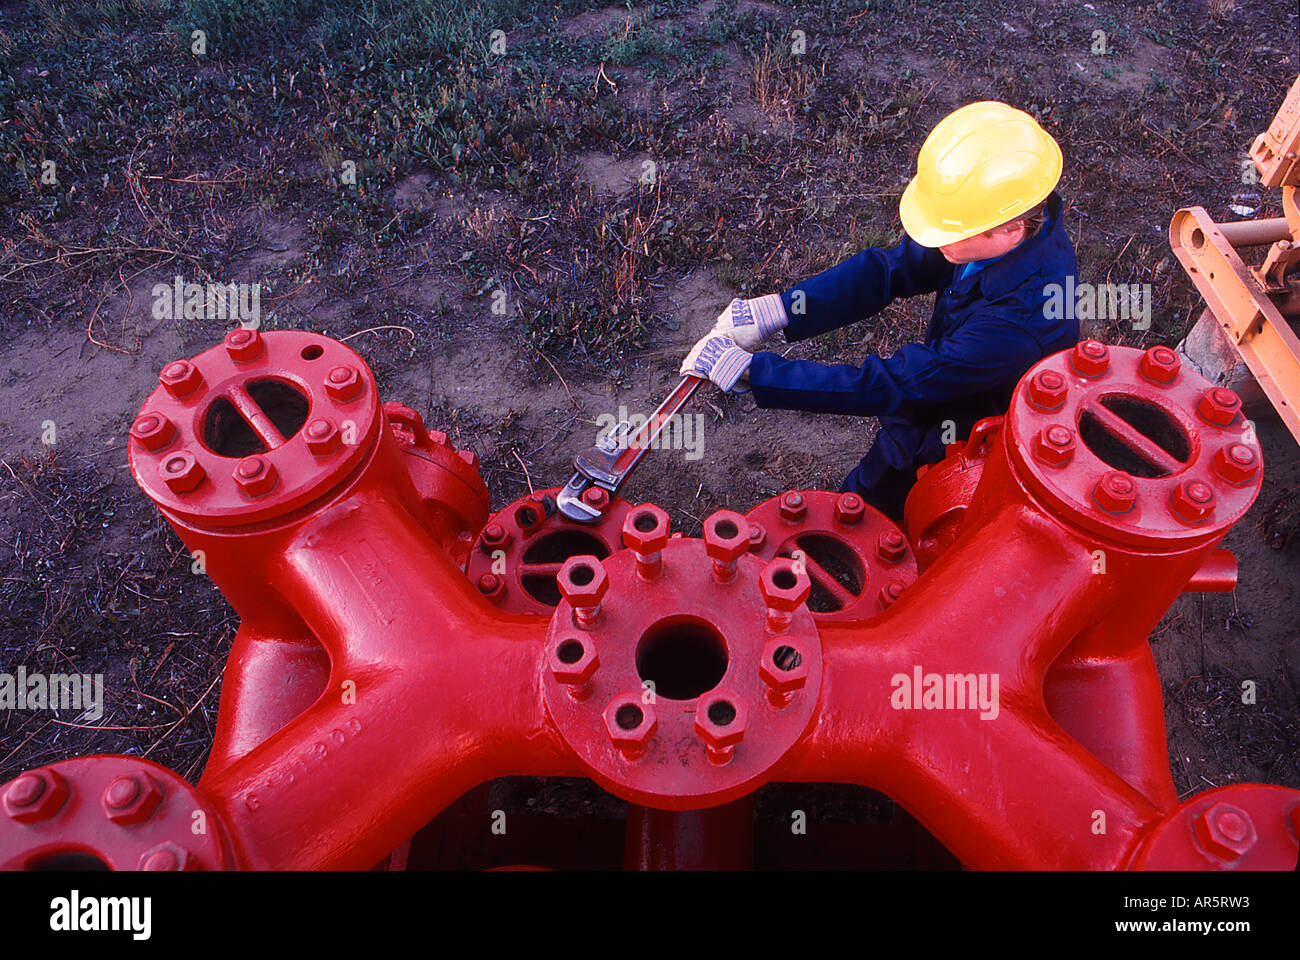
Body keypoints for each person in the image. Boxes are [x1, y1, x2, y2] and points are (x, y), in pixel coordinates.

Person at [681, 101, 1080, 520]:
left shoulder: (1019, 323)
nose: (933, 239)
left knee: (880, 500)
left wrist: (755, 373)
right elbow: (890, 271)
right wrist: (780, 310)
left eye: (947, 231)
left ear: (1009, 230)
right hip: (947, 386)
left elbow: (897, 383)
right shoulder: (1010, 222)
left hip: (959, 430)